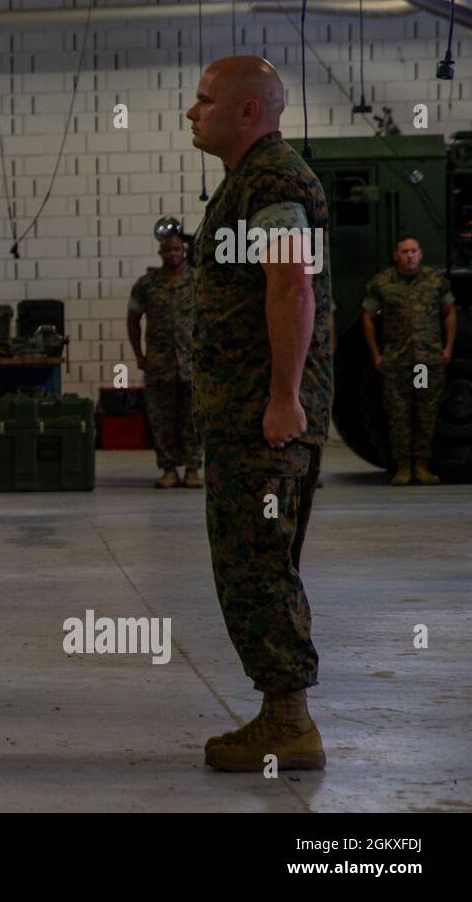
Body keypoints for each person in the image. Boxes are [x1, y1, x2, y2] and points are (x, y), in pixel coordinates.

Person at [186, 55, 332, 772]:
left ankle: (289, 722)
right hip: (243, 413)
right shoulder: (248, 182)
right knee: (247, 558)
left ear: (248, 111)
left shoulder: (272, 179)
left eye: (205, 100)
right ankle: (281, 713)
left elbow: (291, 286)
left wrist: (283, 397)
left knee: (259, 562)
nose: (193, 111)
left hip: (263, 418)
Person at [361, 236, 457, 486]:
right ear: (396, 255)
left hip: (425, 362)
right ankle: (403, 467)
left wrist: (447, 348)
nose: (409, 255)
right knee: (399, 415)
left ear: (421, 254)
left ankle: (422, 466)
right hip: (398, 362)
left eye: (413, 251)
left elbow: (449, 313)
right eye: (404, 251)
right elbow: (368, 317)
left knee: (425, 413)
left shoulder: (435, 282)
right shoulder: (382, 284)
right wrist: (376, 354)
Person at [127, 234, 202, 488]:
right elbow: (133, 319)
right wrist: (139, 354)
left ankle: (192, 469)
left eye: (176, 249)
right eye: (167, 250)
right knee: (162, 421)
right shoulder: (146, 285)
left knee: (193, 419)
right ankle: (168, 469)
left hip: (193, 364)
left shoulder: (198, 281)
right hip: (160, 364)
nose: (172, 254)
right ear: (160, 253)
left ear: (184, 251)